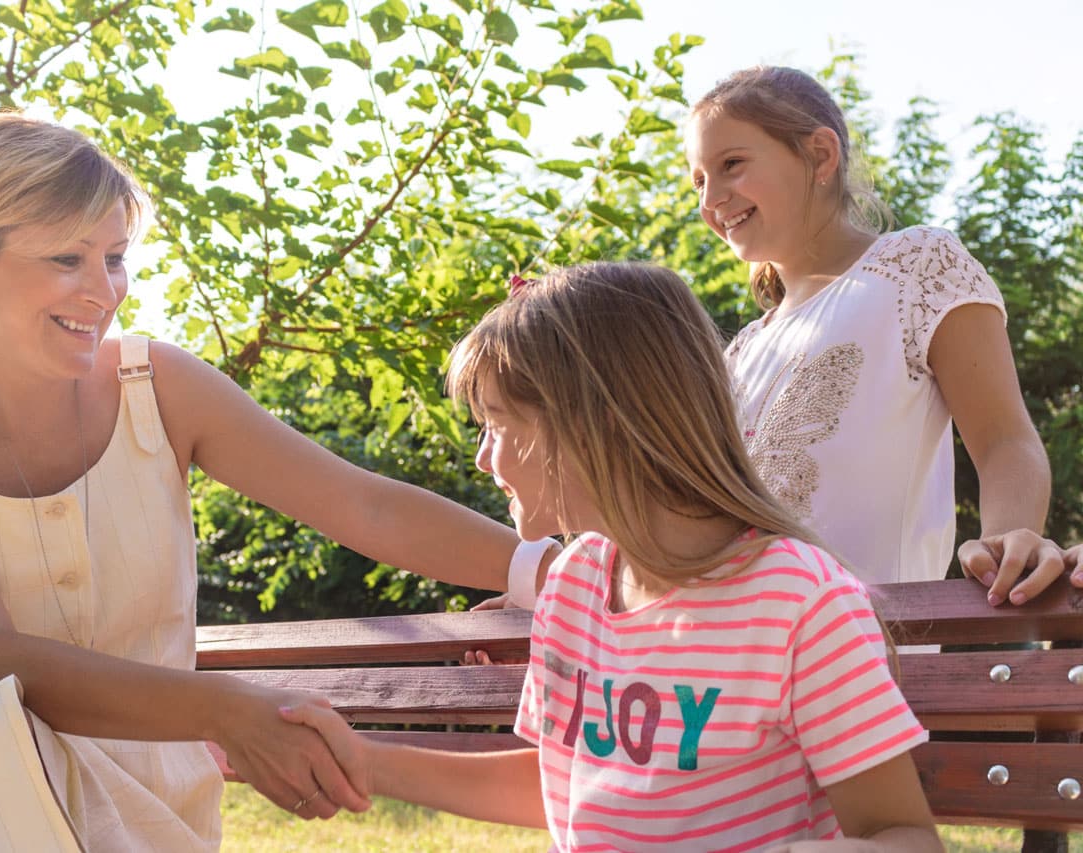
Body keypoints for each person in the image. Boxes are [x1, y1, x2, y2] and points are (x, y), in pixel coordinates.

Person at [0, 111, 542, 851]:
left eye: (115, 257)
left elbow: (362, 504)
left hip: (155, 815)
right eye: (66, 259)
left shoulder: (156, 384)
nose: (103, 291)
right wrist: (223, 709)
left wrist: (557, 569)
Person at [282, 262, 944, 851]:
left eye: (497, 424)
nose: (484, 458)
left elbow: (905, 836)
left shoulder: (800, 605)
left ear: (590, 424)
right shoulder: (574, 580)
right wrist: (367, 763)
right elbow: (566, 779)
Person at [685, 65, 1067, 605]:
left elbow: (1006, 438)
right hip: (742, 663)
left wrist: (1008, 537)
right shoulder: (741, 350)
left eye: (731, 165)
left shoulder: (914, 268)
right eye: (699, 181)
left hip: (873, 658)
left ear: (820, 154)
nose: (711, 199)